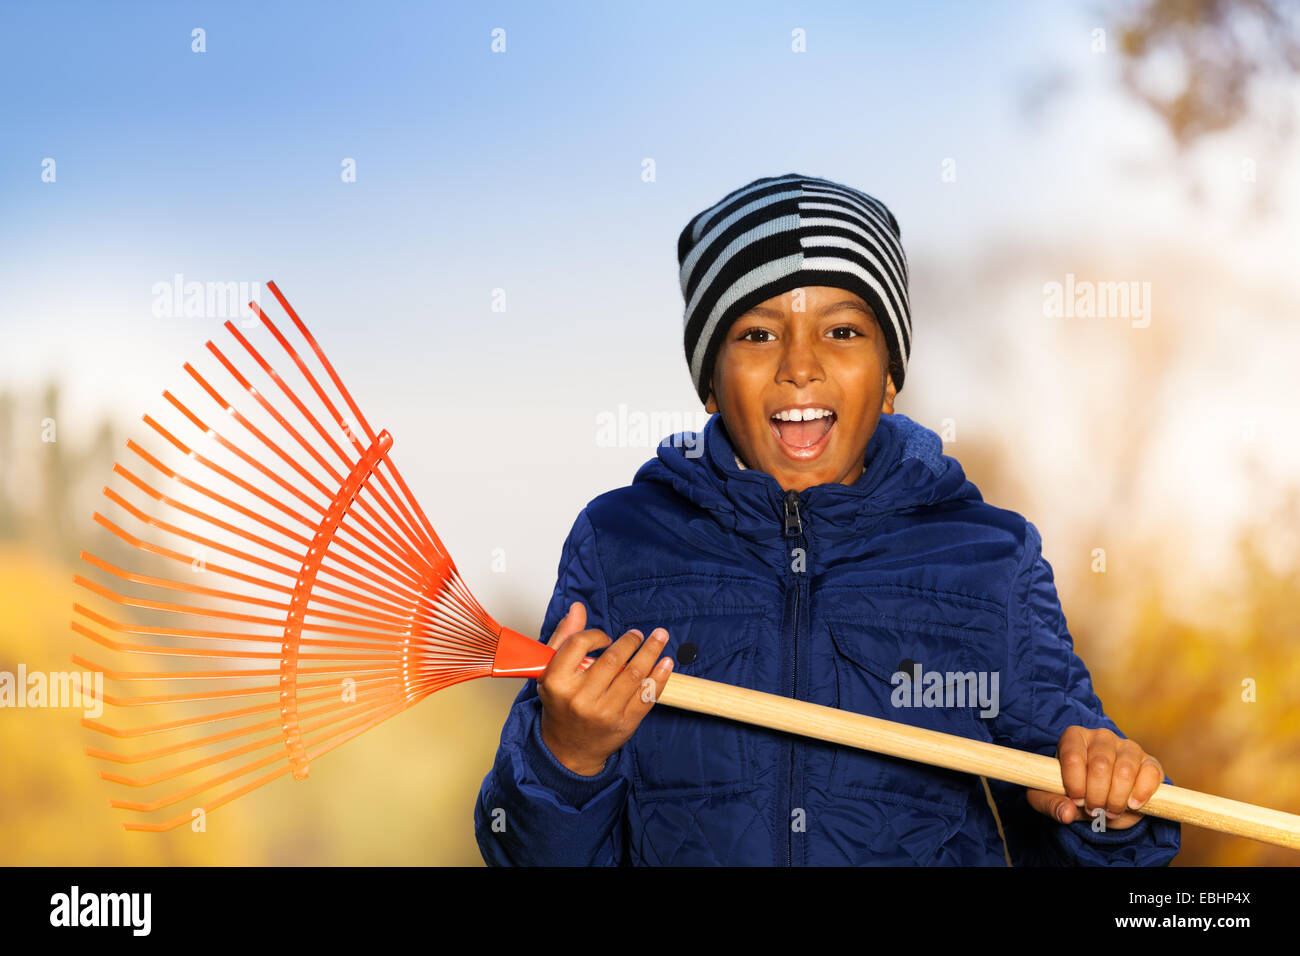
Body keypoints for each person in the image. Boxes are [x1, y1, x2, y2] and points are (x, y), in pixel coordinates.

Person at [474, 172, 1181, 865]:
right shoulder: (618, 543)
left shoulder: (991, 560)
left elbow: (1083, 836)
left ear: (891, 377)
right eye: (757, 334)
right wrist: (565, 757)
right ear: (711, 384)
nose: (800, 366)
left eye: (842, 329)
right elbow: (522, 849)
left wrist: (1106, 814)